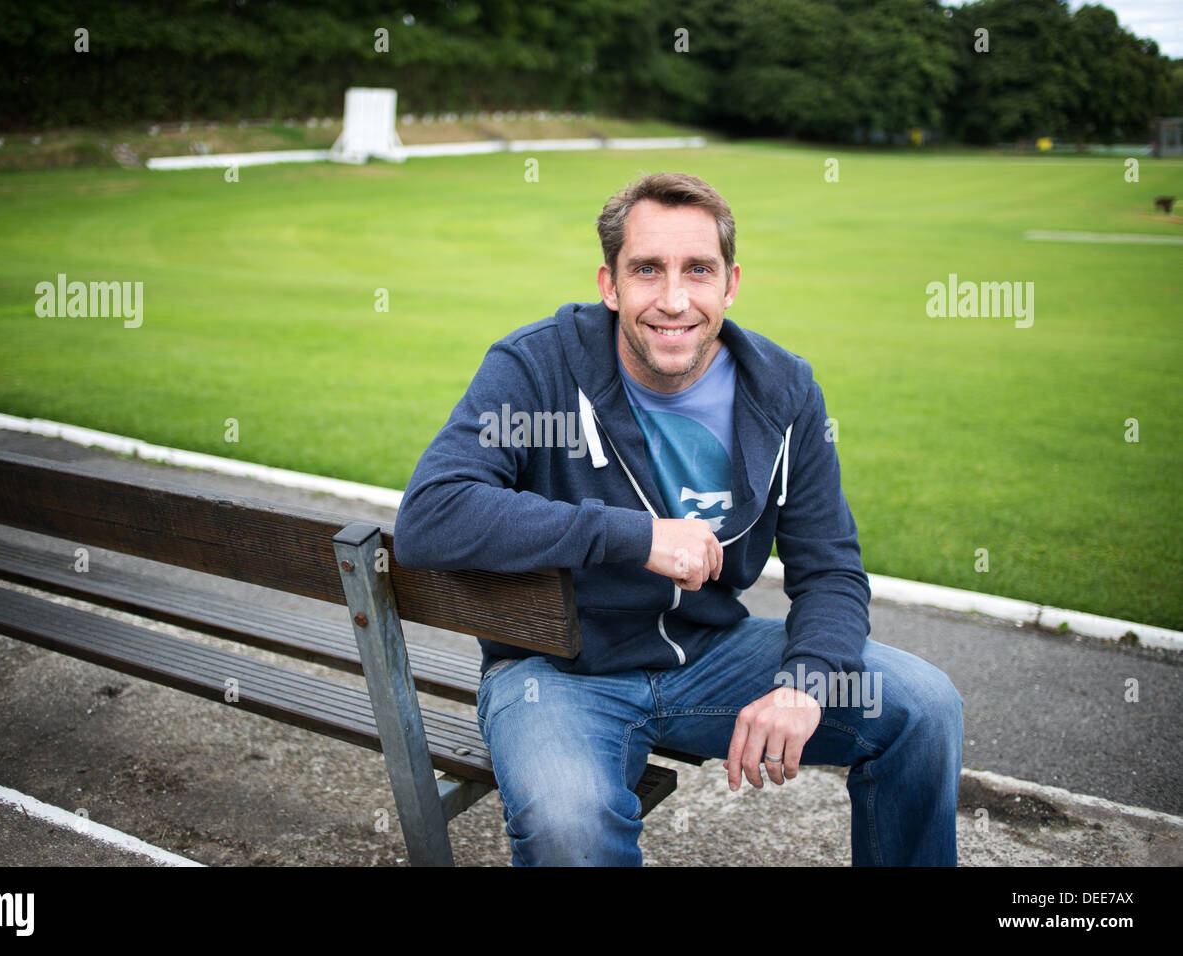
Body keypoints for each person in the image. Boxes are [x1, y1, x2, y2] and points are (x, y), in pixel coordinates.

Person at [392, 172, 963, 866]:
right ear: (610, 285)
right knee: (568, 823)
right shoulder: (537, 364)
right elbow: (433, 514)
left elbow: (831, 568)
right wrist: (635, 535)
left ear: (731, 283)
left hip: (711, 657)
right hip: (557, 672)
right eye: (646, 270)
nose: (673, 299)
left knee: (925, 708)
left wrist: (805, 683)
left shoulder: (785, 390)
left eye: (697, 270)